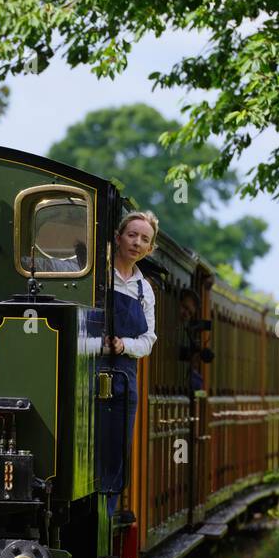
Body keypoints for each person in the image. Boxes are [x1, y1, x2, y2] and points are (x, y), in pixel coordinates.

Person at [99, 210, 159, 514]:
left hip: (124, 380)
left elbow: (148, 340)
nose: (137, 242)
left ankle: (105, 521)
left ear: (149, 249)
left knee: (116, 457)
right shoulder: (98, 275)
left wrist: (124, 345)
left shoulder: (144, 289)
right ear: (118, 237)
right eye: (132, 235)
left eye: (144, 239)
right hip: (92, 374)